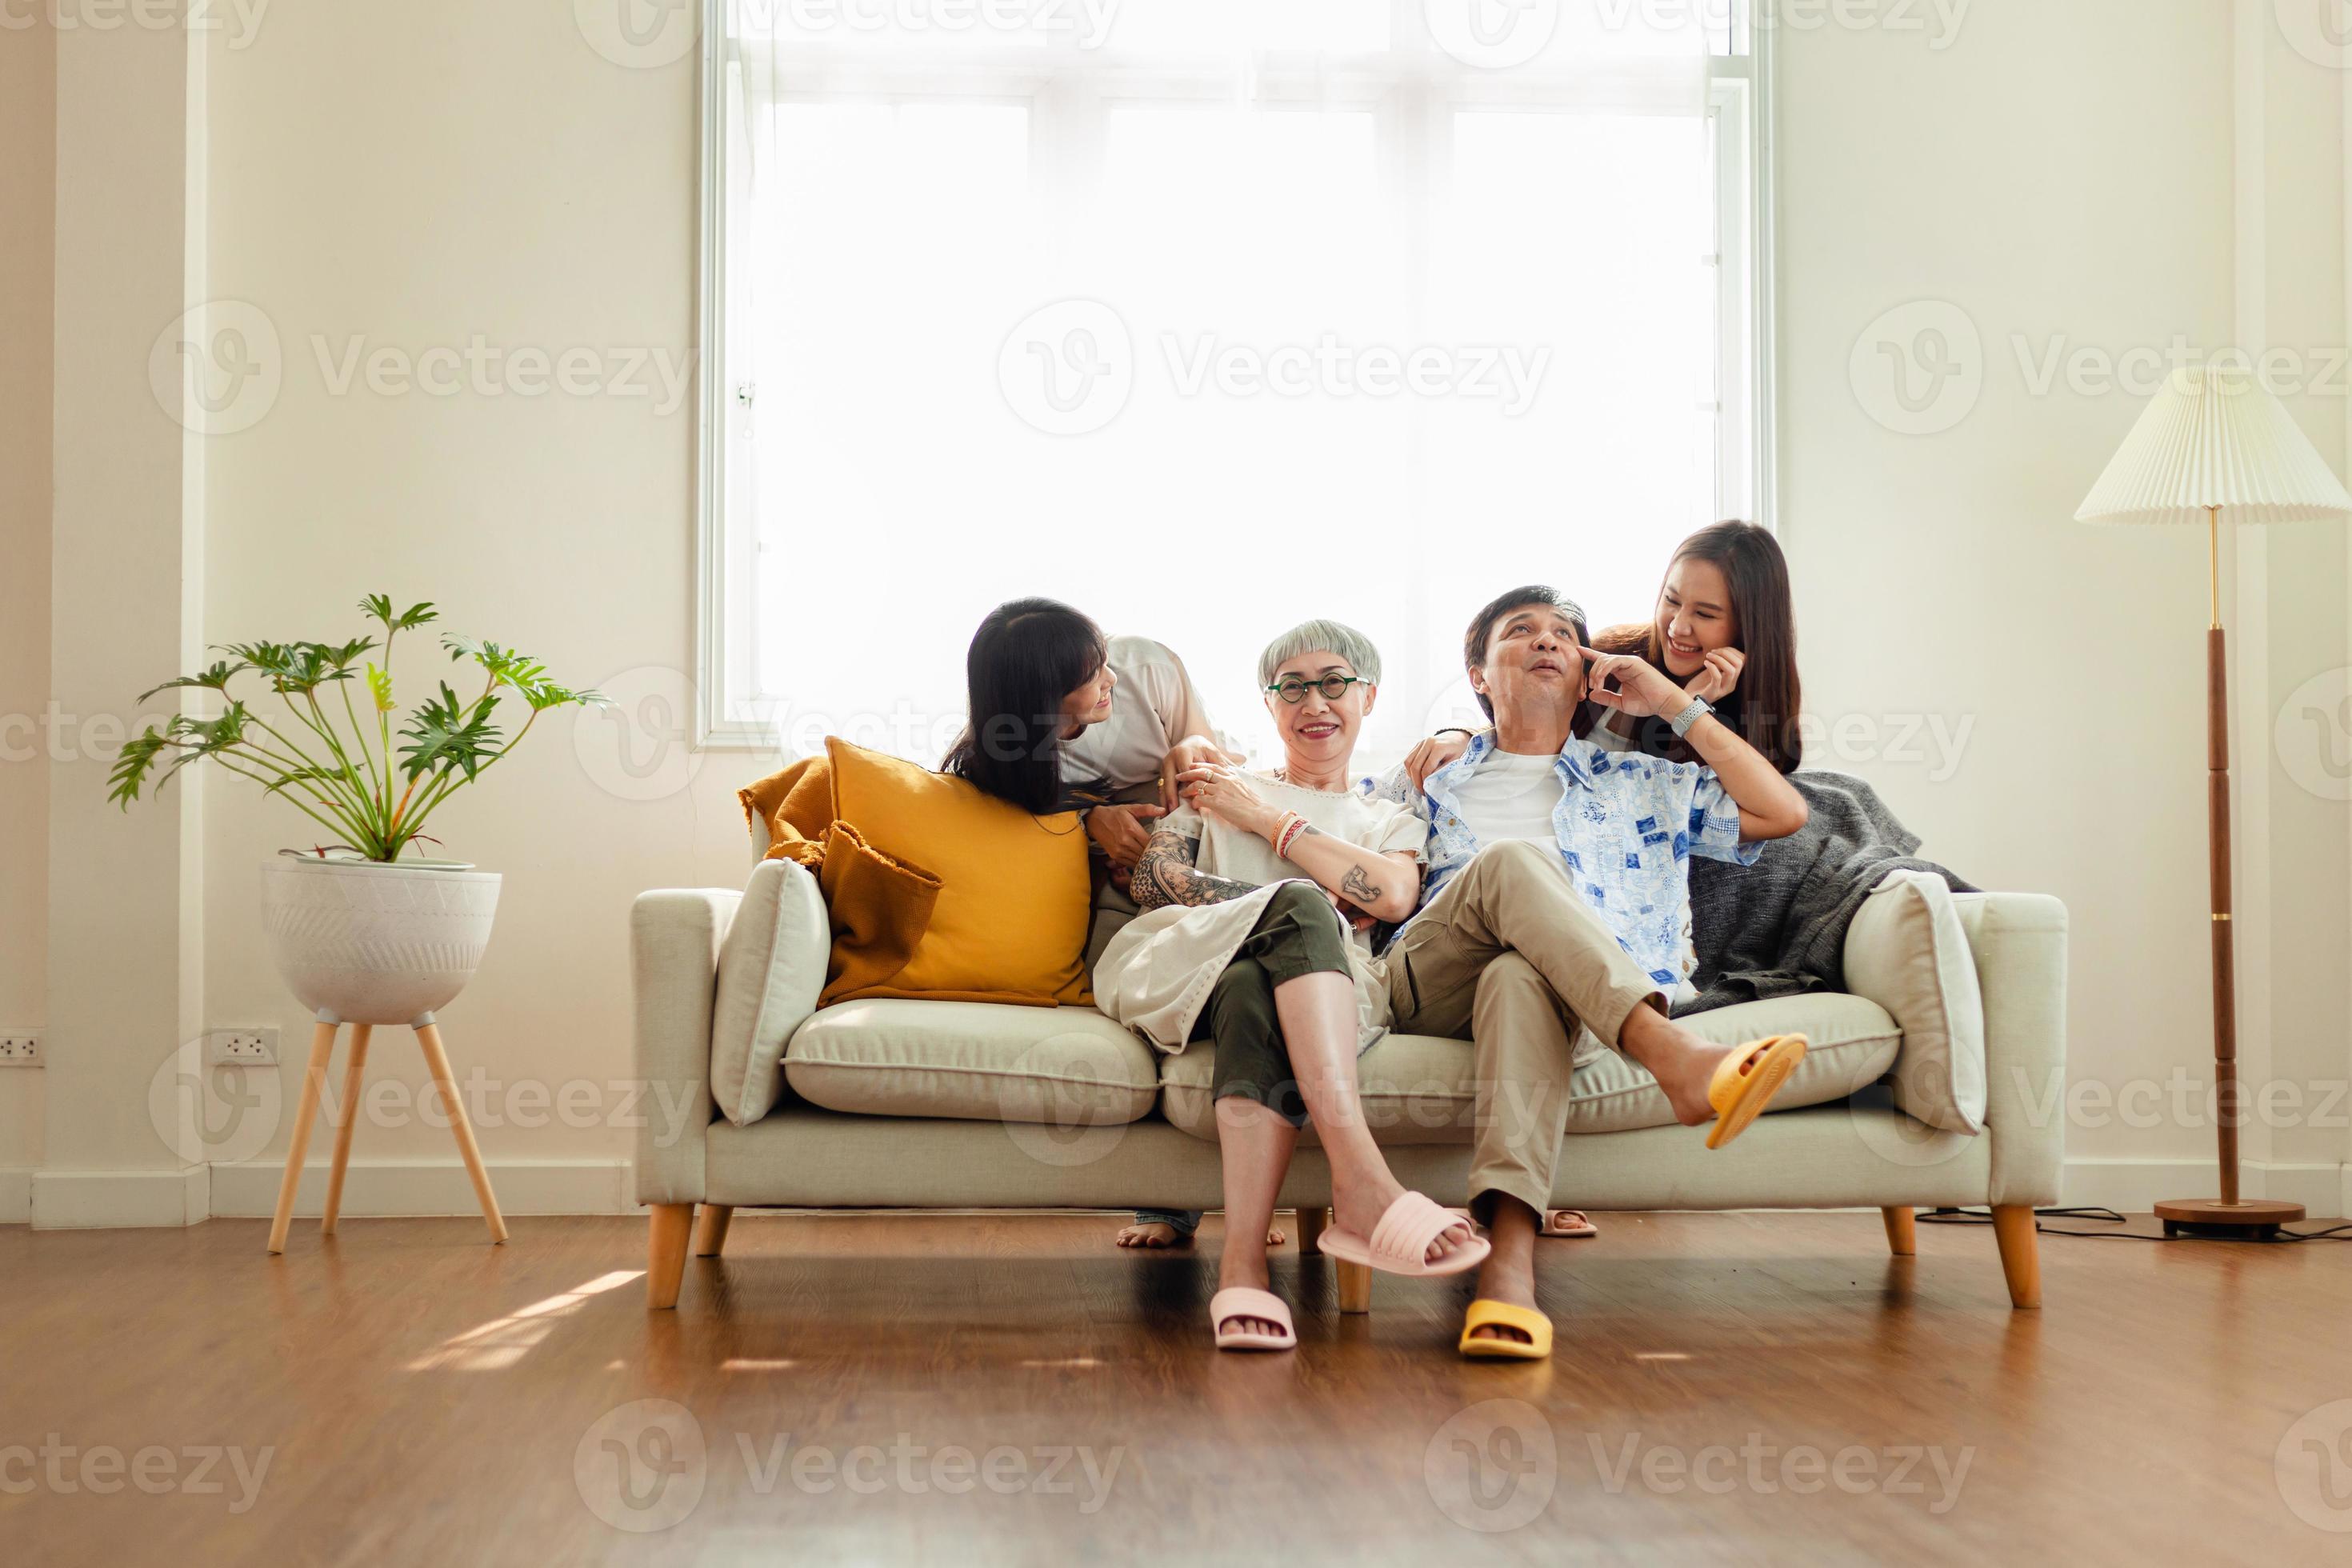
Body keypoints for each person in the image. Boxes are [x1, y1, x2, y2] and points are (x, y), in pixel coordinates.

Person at [1368, 586, 1812, 1361]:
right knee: (1510, 862)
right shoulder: (1426, 777)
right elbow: (1346, 847)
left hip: (1563, 999)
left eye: (1564, 636)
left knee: (1518, 973)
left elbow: (1782, 813)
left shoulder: (1636, 781)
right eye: (1520, 632)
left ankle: (1507, 1270)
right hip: (1428, 982)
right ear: (1477, 674)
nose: (1546, 641)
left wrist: (1673, 702)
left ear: (1587, 674)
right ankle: (1672, 1055)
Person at [1092, 621, 1486, 1350]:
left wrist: (1268, 824)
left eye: (1335, 682)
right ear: (1270, 704)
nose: (1316, 702)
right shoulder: (1217, 785)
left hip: (1316, 992)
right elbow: (1155, 879)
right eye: (1293, 687)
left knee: (1253, 985)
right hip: (1184, 968)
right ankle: (1363, 1183)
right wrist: (1280, 899)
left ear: (1368, 696)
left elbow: (1395, 898)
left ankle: (1241, 1267)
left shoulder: (1388, 815)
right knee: (1297, 905)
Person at [938, 598, 1275, 1250]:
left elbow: (1208, 752)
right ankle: (1173, 1204)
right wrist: (1092, 825)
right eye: (1092, 675)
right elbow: (1009, 836)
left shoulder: (1144, 668)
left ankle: (1247, 1203)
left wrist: (1190, 750)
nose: (1110, 680)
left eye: (1104, 661)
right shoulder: (998, 756)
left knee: (1234, 976)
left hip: (1193, 827)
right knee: (1140, 994)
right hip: (1097, 871)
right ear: (1043, 701)